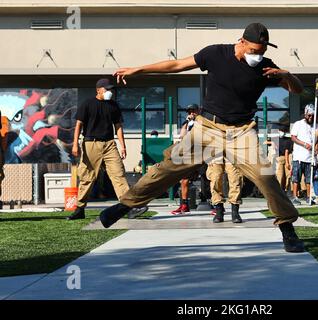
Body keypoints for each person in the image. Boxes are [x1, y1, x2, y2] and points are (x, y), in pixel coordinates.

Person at [100, 23, 305, 252]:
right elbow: (177, 64)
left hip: (241, 131)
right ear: (242, 42)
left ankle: (287, 228)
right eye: (254, 51)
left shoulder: (267, 68)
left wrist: (286, 75)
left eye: (262, 51)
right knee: (168, 168)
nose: (258, 56)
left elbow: (297, 90)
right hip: (207, 127)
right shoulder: (215, 53)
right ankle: (125, 205)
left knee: (265, 176)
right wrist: (139, 70)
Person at [67, 78, 148, 220]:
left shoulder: (113, 105)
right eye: (106, 89)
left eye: (110, 89)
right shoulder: (88, 104)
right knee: (87, 177)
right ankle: (79, 209)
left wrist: (123, 145)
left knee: (119, 174)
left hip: (110, 144)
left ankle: (128, 207)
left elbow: (118, 127)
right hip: (90, 143)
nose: (109, 92)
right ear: (98, 90)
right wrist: (75, 144)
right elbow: (78, 124)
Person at [171, 104, 200, 214]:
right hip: (189, 154)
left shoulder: (201, 122)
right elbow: (182, 136)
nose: (191, 113)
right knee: (184, 180)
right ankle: (184, 205)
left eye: (193, 111)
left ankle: (217, 205)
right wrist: (187, 122)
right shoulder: (187, 123)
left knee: (209, 179)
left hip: (201, 153)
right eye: (189, 112)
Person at [290, 104, 316, 205]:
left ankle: (309, 197)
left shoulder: (315, 126)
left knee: (309, 179)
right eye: (309, 115)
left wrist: (316, 147)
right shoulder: (298, 124)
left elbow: (316, 140)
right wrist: (304, 144)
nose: (311, 117)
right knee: (296, 178)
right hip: (299, 156)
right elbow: (293, 137)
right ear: (305, 114)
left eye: (312, 115)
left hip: (310, 158)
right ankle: (295, 197)